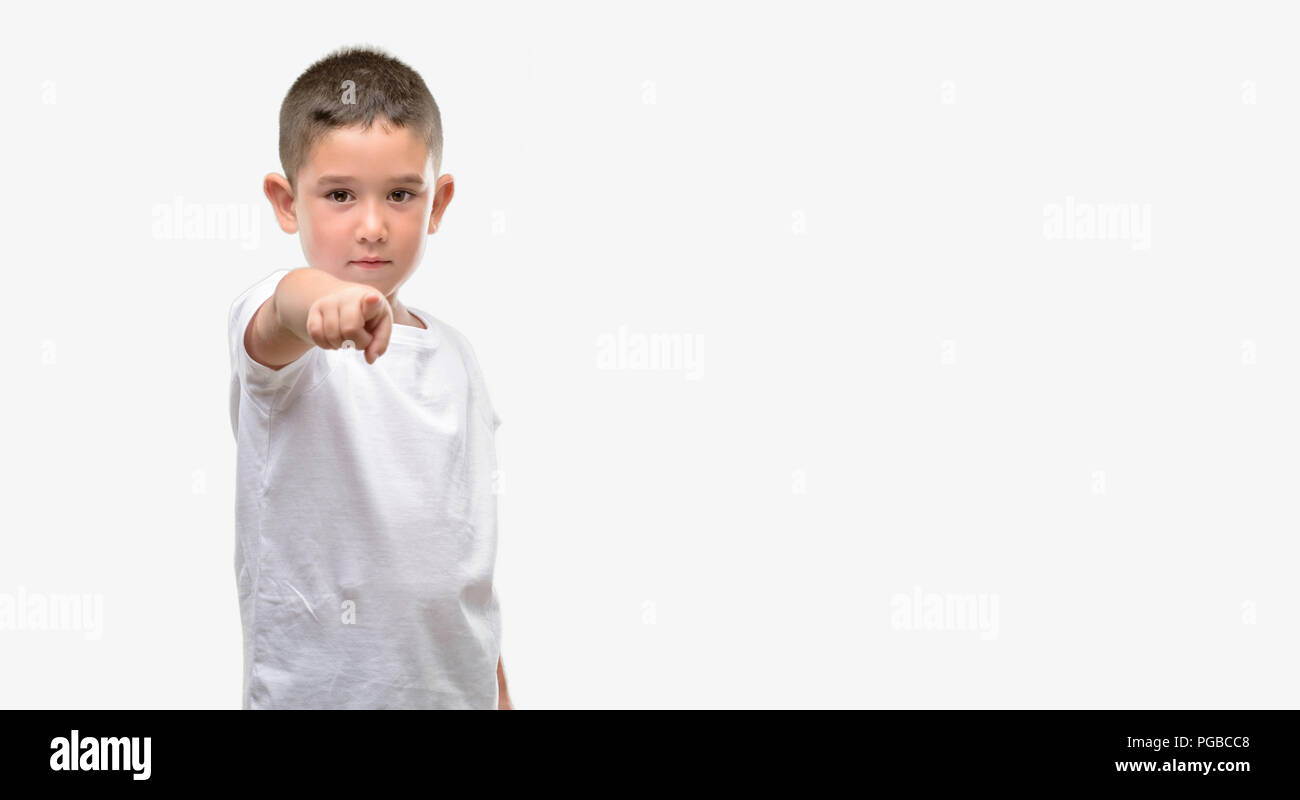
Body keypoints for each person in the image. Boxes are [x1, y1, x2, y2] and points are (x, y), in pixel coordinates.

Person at [227, 45, 512, 709]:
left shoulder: (459, 357)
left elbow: (466, 564)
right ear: (286, 200)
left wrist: (497, 691)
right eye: (339, 195)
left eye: (400, 195)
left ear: (437, 203)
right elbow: (280, 316)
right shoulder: (291, 330)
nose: (373, 225)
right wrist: (319, 304)